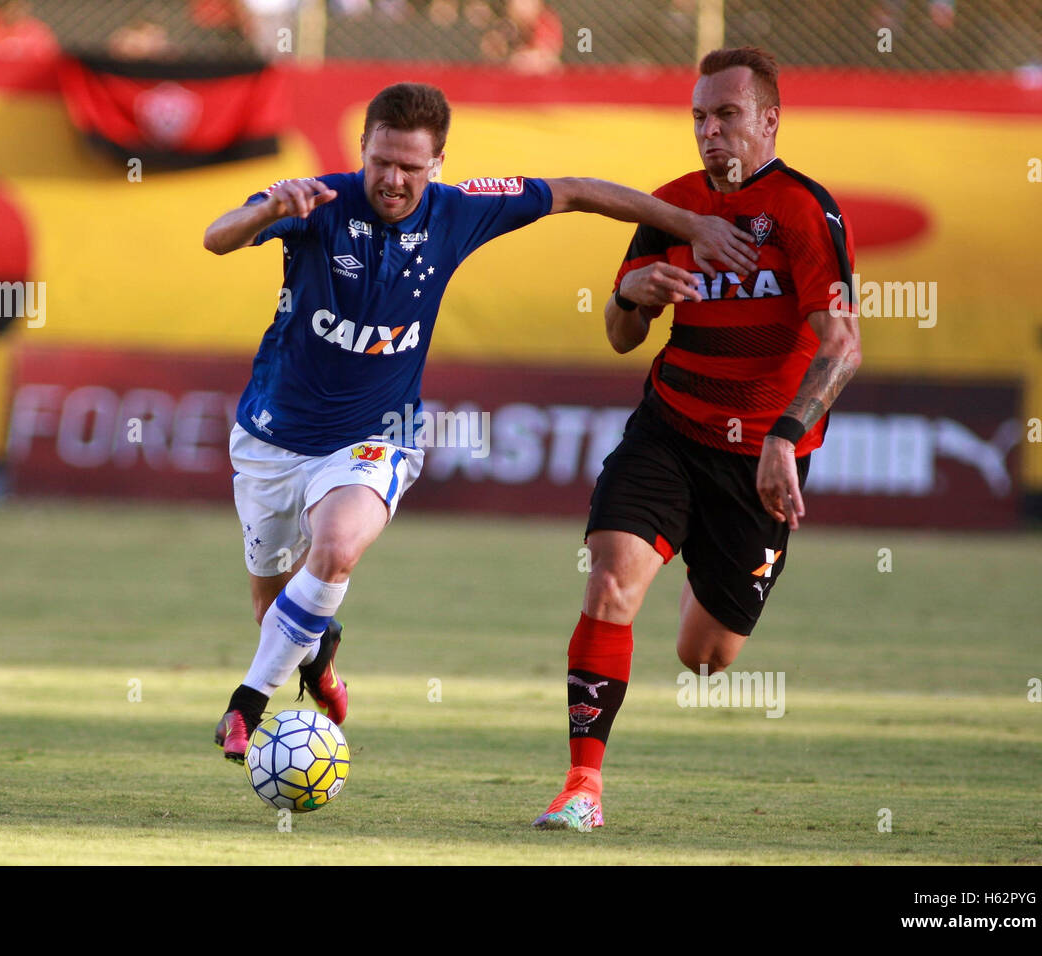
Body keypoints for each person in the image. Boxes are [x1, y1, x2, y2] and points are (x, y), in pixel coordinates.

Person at [202, 81, 759, 763]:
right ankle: (317, 661)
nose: (394, 180)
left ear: (438, 163)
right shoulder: (319, 200)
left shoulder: (460, 210)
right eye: (381, 163)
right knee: (275, 613)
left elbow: (577, 189)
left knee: (339, 546)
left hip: (377, 435)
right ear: (363, 151)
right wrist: (263, 212)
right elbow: (216, 238)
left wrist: (691, 224)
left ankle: (245, 707)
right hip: (270, 438)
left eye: (411, 166)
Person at [532, 47, 861, 831]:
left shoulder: (805, 212)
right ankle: (583, 788)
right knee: (611, 581)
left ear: (770, 120)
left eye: (728, 116)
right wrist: (628, 295)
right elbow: (620, 337)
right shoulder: (669, 207)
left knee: (706, 658)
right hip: (670, 431)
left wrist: (786, 436)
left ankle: (704, 566)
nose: (711, 134)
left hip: (761, 461)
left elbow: (842, 343)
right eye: (700, 119)